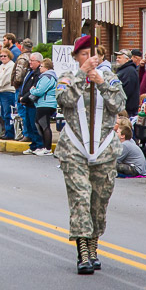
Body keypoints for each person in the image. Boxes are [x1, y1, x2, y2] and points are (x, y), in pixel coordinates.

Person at [55, 34, 126, 275]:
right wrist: (82, 74)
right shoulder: (67, 77)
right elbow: (64, 99)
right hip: (74, 148)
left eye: (93, 54)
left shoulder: (110, 78)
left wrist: (102, 83)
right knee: (81, 197)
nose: (89, 58)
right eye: (84, 54)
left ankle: (94, 245)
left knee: (99, 201)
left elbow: (120, 104)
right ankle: (83, 252)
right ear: (76, 57)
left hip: (104, 149)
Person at [30, 58, 58, 156]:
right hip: (43, 104)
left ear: (47, 68)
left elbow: (39, 91)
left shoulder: (47, 77)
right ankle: (44, 147)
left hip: (46, 104)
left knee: (44, 125)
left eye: (41, 66)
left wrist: (32, 90)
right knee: (39, 124)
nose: (40, 68)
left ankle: (47, 148)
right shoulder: (47, 77)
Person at [18, 52, 45, 153]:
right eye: (30, 60)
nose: (30, 62)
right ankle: (33, 146)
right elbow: (24, 86)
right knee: (29, 125)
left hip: (33, 103)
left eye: (32, 60)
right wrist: (20, 97)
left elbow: (33, 89)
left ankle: (39, 145)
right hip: (27, 103)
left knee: (35, 126)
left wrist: (24, 99)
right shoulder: (30, 71)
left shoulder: (39, 74)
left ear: (38, 62)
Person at [0, 48, 17, 140]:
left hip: (8, 92)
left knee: (8, 113)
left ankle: (10, 133)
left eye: (5, 56)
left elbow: (7, 78)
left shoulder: (11, 65)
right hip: (1, 92)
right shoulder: (1, 66)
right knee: (3, 113)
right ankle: (6, 131)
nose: (3, 58)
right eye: (1, 56)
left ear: (9, 56)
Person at [114, 49, 140, 117]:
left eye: (119, 58)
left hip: (127, 110)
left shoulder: (130, 71)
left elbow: (126, 91)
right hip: (122, 108)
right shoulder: (122, 70)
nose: (117, 59)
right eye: (117, 57)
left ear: (127, 59)